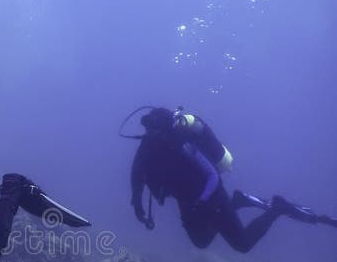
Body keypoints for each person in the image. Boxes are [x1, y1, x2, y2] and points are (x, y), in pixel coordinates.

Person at [128, 106, 325, 252]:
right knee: (201, 241)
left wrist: (204, 202)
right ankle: (237, 201)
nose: (153, 136)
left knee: (243, 244)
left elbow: (212, 175)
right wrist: (136, 201)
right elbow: (137, 173)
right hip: (186, 198)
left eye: (156, 132)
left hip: (211, 193)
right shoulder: (147, 146)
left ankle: (277, 208)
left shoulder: (181, 143)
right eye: (150, 132)